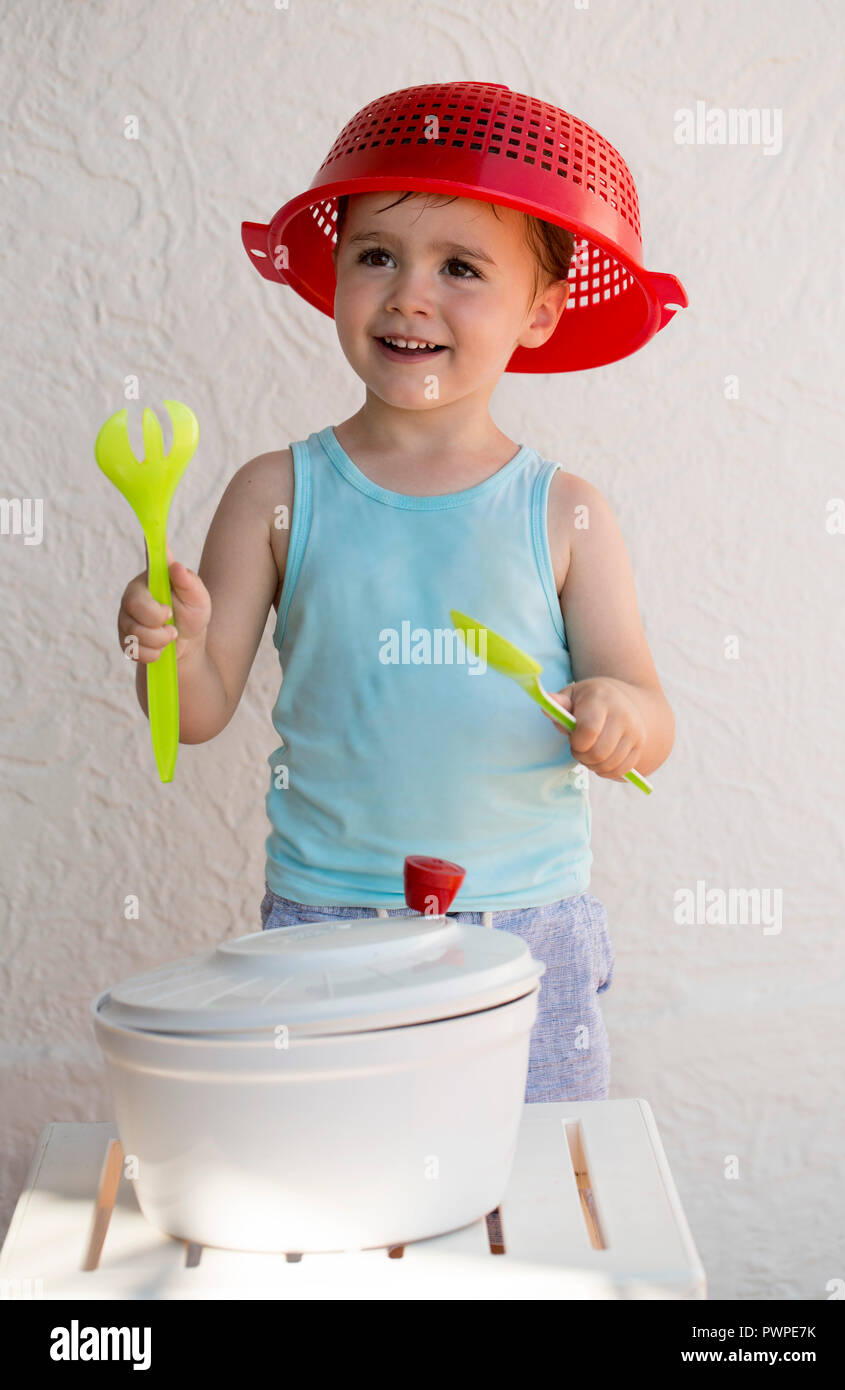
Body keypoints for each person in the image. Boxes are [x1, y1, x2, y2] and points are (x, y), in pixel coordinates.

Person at [116, 82, 678, 1103]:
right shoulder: (274, 494)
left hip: (525, 932)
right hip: (332, 930)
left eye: (459, 267)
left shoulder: (565, 513)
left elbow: (646, 705)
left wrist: (616, 716)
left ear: (540, 313)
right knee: (342, 1186)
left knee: (532, 1198)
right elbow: (194, 715)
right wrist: (170, 646)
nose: (407, 293)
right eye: (376, 255)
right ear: (334, 275)